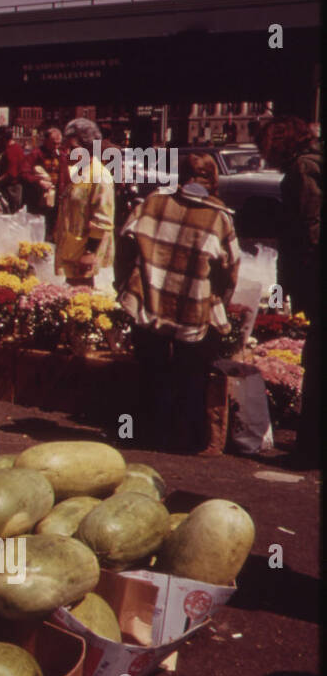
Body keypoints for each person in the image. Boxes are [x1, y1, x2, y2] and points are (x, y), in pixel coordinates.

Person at [115, 153, 240, 453]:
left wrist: (122, 285)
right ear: (213, 180)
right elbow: (230, 271)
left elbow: (124, 243)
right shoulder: (220, 218)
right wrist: (218, 300)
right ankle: (185, 439)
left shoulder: (153, 202)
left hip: (149, 301)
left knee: (150, 370)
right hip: (194, 308)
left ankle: (143, 432)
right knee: (191, 376)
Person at [257, 115, 322, 466]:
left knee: (317, 359)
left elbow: (309, 228)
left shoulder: (302, 170)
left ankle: (310, 448)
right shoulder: (316, 161)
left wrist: (303, 281)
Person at [53, 118, 115, 286]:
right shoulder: (79, 172)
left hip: (85, 253)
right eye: (67, 147)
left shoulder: (100, 175)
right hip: (73, 249)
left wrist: (90, 252)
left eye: (73, 148)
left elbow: (103, 219)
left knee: (82, 297)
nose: (67, 152)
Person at [30, 126, 64, 234]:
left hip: (57, 198)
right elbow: (24, 173)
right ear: (46, 141)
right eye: (54, 143)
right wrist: (38, 181)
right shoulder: (35, 154)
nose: (56, 146)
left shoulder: (61, 155)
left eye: (59, 143)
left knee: (53, 227)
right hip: (39, 198)